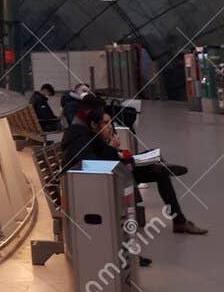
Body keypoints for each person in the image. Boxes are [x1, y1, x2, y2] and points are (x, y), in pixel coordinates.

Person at [59, 100, 207, 235]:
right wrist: (113, 149)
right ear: (91, 117)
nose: (109, 126)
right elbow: (92, 164)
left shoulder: (86, 131)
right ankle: (177, 216)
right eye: (105, 122)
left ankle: (179, 219)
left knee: (159, 170)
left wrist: (117, 152)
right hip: (99, 182)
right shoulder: (80, 134)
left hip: (109, 175)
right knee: (158, 171)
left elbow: (103, 158)